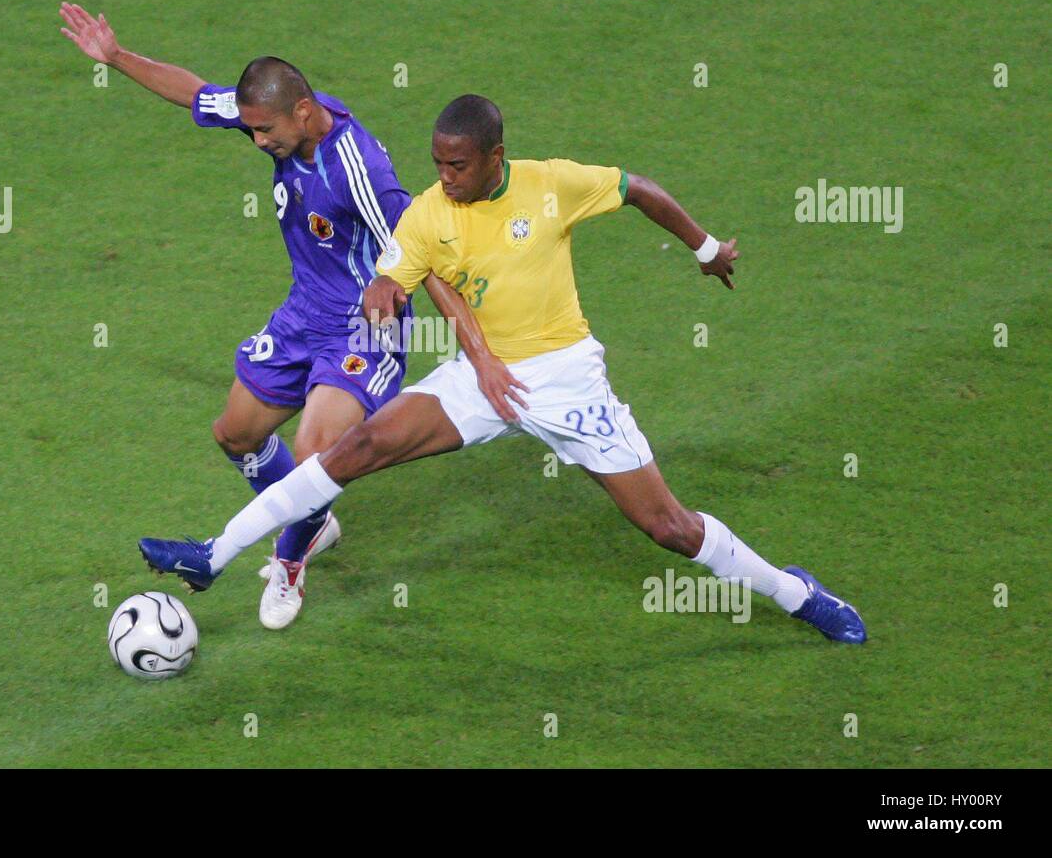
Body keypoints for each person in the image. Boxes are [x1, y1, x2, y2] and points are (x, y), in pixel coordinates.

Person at [140, 94, 867, 644]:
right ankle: (214, 552)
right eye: (436, 163)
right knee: (351, 450)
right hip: (478, 385)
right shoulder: (428, 211)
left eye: (457, 164)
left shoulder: (551, 185)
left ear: (495, 156)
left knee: (669, 528)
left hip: (565, 380)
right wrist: (386, 293)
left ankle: (796, 594)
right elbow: (403, 272)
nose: (444, 177)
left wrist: (707, 250)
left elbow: (639, 188)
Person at [60, 2, 476, 630]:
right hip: (303, 313)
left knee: (314, 453)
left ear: (303, 114)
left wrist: (473, 340)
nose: (257, 143)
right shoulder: (279, 115)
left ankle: (288, 564)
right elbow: (198, 94)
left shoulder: (358, 170)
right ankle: (316, 522)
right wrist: (116, 57)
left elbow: (423, 248)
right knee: (235, 433)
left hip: (363, 326)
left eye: (264, 132)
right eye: (250, 130)